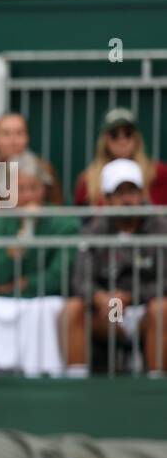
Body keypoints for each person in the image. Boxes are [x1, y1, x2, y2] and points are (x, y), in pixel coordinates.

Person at [61, 158, 167, 374]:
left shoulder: (160, 227)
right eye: (120, 193)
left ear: (142, 195)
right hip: (109, 311)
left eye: (133, 191)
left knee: (162, 309)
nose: (128, 200)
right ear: (107, 199)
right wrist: (100, 298)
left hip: (145, 308)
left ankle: (158, 385)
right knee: (72, 309)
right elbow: (80, 280)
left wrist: (131, 296)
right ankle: (75, 381)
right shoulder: (93, 230)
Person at [0, 152, 81, 297]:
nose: (28, 196)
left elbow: (58, 278)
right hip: (2, 303)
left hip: (48, 301)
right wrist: (14, 251)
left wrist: (24, 284)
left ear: (44, 188)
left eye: (33, 188)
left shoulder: (66, 223)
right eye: (20, 189)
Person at [72, 108, 167, 206]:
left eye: (128, 133)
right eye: (114, 135)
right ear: (105, 141)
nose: (122, 141)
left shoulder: (159, 173)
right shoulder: (88, 179)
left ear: (136, 138)